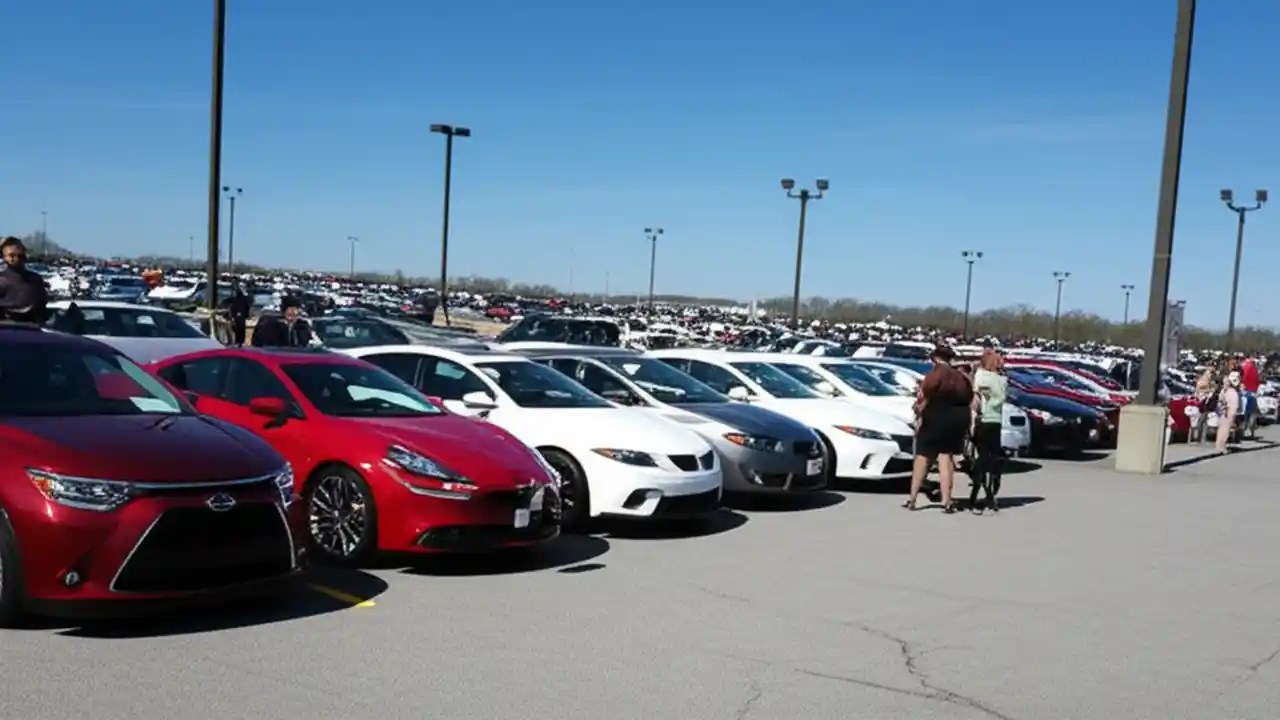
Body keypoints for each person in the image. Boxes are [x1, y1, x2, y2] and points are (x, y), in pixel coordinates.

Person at [904, 345, 973, 514]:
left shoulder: (935, 374)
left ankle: (912, 498)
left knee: (923, 458)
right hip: (956, 420)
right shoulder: (962, 378)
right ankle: (946, 500)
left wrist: (917, 409)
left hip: (935, 417)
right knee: (946, 458)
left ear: (935, 359)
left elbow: (924, 396)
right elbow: (969, 398)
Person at [969, 348, 1007, 514]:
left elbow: (983, 395)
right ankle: (987, 492)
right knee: (988, 458)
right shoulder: (994, 378)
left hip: (989, 419)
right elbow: (995, 398)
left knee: (987, 459)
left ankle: (983, 492)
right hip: (990, 420)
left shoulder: (989, 376)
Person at [0, 236, 49, 323]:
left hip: (32, 329)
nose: (16, 259)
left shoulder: (35, 280)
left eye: (20, 255)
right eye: (11, 256)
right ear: (4, 257)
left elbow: (42, 306)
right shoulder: (2, 280)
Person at [1215, 370, 1242, 454]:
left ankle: (1219, 445)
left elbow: (1220, 400)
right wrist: (1233, 417)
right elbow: (1234, 407)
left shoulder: (1224, 391)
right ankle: (1222, 446)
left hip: (1223, 411)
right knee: (1226, 429)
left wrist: (1222, 407)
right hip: (1229, 411)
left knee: (1221, 428)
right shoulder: (1234, 393)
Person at [1240, 353, 1260, 438]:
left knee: (1245, 413)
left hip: (1244, 391)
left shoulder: (1244, 366)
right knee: (1252, 413)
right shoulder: (1253, 367)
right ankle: (1251, 432)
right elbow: (1257, 380)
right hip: (1252, 392)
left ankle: (1243, 431)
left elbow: (1242, 378)